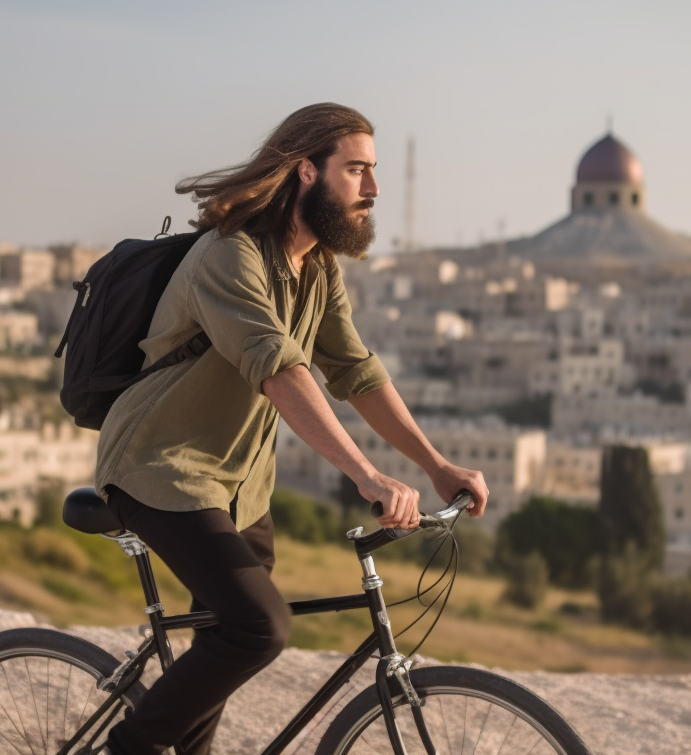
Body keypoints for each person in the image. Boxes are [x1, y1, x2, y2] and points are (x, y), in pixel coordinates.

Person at [95, 103, 490, 755]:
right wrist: (366, 475)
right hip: (161, 469)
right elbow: (280, 372)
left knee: (225, 638)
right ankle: (128, 748)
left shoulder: (317, 269)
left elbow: (356, 371)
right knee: (259, 628)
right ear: (308, 171)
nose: (374, 188)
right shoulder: (230, 256)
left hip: (239, 489)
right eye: (357, 170)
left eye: (374, 171)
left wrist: (436, 466)